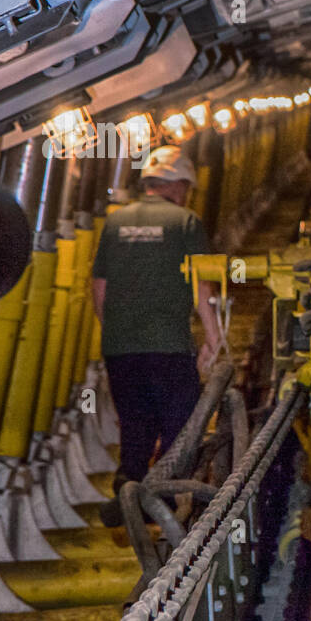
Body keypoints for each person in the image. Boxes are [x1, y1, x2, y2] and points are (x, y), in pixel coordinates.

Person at [91, 145, 220, 506]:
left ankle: (128, 487)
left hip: (121, 348)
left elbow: (99, 286)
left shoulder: (115, 222)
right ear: (179, 185)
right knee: (180, 428)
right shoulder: (185, 222)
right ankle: (162, 503)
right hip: (169, 346)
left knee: (135, 426)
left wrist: (116, 330)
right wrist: (213, 337)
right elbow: (201, 283)